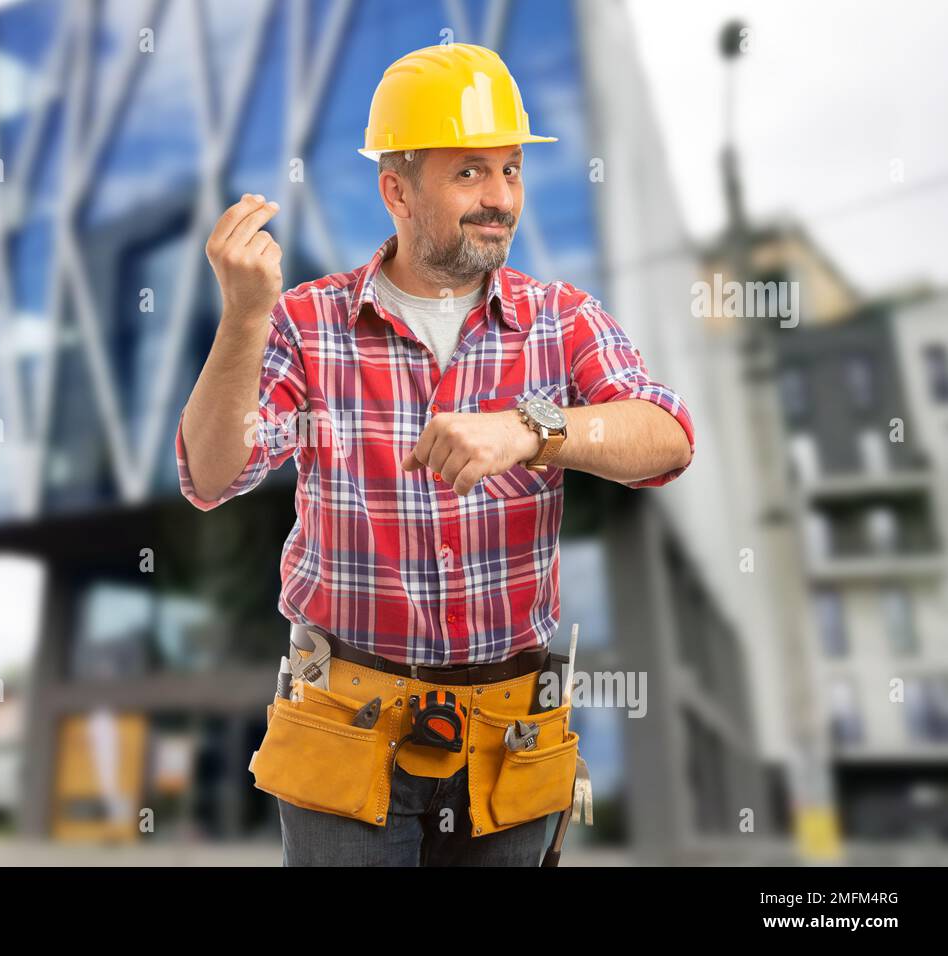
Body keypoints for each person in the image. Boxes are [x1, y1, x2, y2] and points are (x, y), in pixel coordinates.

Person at [174, 43, 694, 866]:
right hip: (345, 725)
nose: (500, 199)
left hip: (511, 736)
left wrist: (536, 430)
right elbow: (210, 475)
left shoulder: (560, 320)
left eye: (512, 171)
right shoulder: (308, 324)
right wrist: (243, 319)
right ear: (397, 190)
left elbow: (666, 437)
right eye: (470, 173)